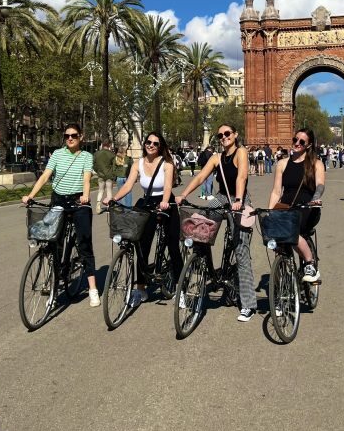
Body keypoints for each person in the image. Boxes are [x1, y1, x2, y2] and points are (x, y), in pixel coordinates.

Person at [177, 123, 255, 322]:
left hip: (239, 199)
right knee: (199, 225)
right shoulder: (216, 157)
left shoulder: (241, 152)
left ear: (235, 135)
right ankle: (205, 265)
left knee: (241, 250)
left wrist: (238, 200)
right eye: (220, 135)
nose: (224, 137)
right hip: (221, 197)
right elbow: (202, 176)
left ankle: (247, 304)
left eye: (227, 133)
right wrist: (183, 194)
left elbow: (242, 176)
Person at [21, 123, 100, 307]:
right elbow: (45, 176)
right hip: (58, 200)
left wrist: (86, 196)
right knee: (54, 243)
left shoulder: (86, 156)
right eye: (67, 136)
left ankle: (93, 289)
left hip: (78, 201)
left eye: (74, 135)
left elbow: (86, 178)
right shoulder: (57, 154)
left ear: (81, 136)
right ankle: (54, 289)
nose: (70, 138)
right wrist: (30, 195)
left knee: (85, 243)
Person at [107, 132, 182, 307]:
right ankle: (140, 289)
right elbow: (128, 184)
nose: (151, 145)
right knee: (141, 244)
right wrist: (114, 199)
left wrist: (164, 201)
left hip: (165, 202)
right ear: (144, 144)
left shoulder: (167, 163)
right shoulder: (137, 163)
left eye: (156, 144)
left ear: (160, 146)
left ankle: (180, 289)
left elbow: (168, 186)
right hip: (147, 202)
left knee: (172, 245)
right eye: (148, 142)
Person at [268, 128, 324, 282]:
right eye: (295, 140)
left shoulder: (316, 163)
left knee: (291, 229)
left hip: (307, 206)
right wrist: (270, 211)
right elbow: (276, 191)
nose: (297, 143)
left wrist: (316, 198)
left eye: (302, 141)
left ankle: (309, 263)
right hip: (286, 205)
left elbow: (320, 185)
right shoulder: (282, 163)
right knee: (274, 232)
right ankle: (282, 276)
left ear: (309, 144)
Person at [93, 140, 115, 213]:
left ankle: (98, 204)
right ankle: (108, 207)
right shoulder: (112, 154)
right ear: (108, 146)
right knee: (109, 190)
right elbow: (114, 165)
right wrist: (113, 173)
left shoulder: (96, 154)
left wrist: (98, 171)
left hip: (100, 175)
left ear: (102, 145)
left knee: (100, 190)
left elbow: (94, 165)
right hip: (109, 175)